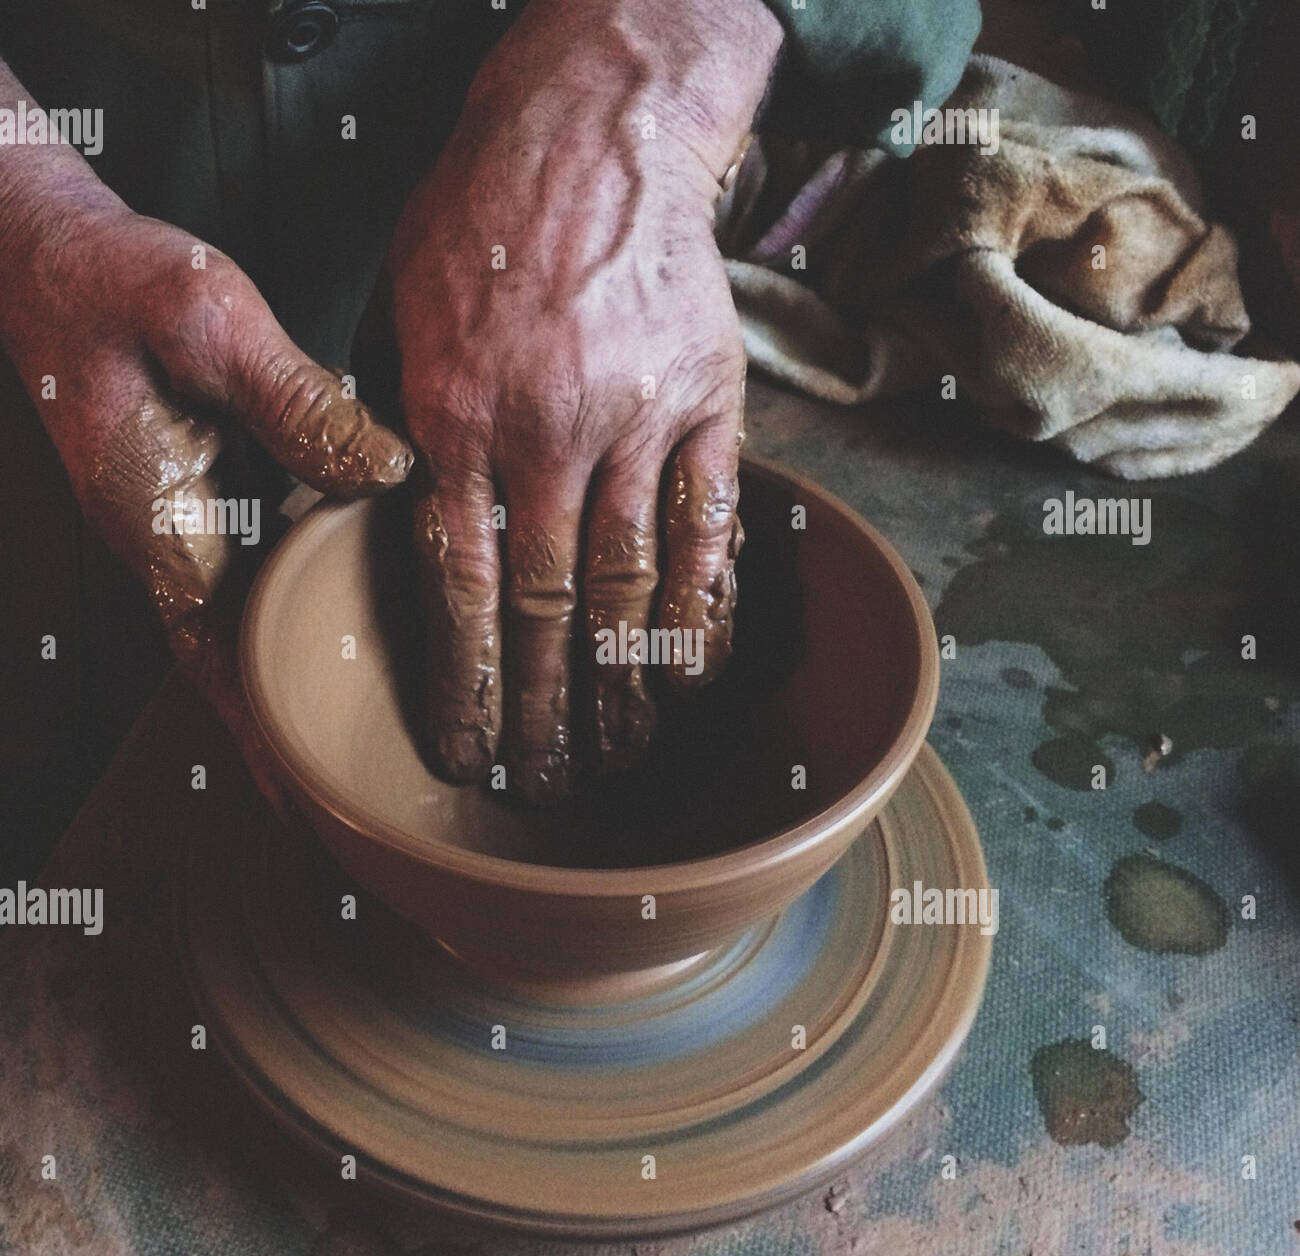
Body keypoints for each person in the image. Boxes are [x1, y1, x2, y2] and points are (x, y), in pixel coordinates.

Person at [0, 0, 978, 803]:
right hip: (78, 209)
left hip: (583, 256)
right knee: (87, 764)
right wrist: (35, 221)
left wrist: (654, 61)